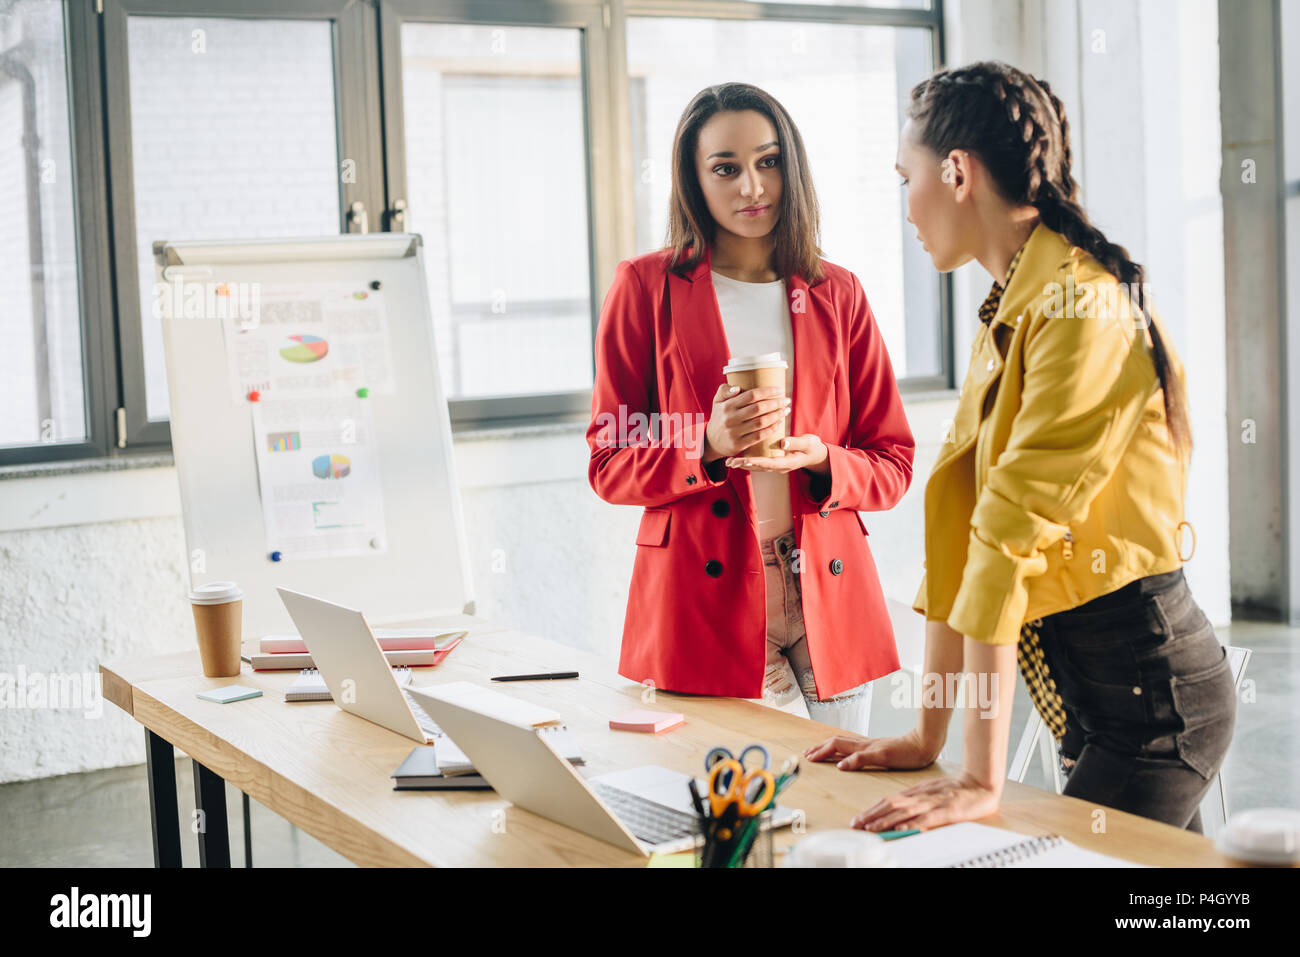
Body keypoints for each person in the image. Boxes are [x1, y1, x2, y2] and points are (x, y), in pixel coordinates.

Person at [807, 61, 1236, 832]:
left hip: (1154, 703)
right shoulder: (1011, 307)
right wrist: (927, 733)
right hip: (1096, 703)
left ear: (958, 172)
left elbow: (1006, 536)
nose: (905, 204)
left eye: (907, 177)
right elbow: (962, 534)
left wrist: (978, 775)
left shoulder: (1083, 307)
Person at [586, 82, 915, 731]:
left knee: (838, 802)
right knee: (751, 809)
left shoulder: (837, 292)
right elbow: (607, 460)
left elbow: (894, 461)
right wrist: (702, 444)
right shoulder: (646, 287)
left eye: (768, 162)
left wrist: (824, 459)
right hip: (708, 598)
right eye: (726, 168)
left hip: (827, 586)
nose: (752, 187)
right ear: (694, 178)